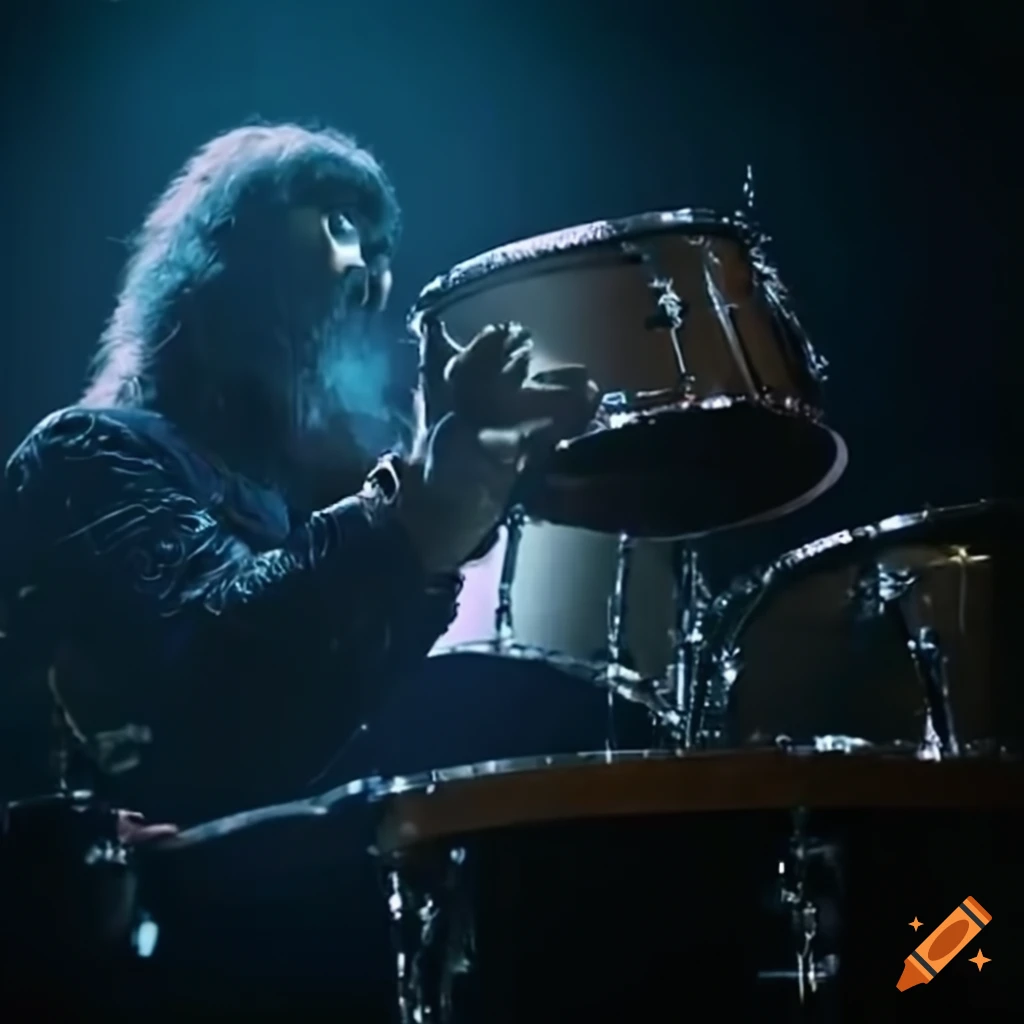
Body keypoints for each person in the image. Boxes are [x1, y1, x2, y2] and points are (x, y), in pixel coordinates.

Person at [0, 122, 595, 830]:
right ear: (225, 248)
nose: (371, 279)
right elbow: (217, 657)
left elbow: (342, 722)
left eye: (382, 256)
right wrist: (419, 510)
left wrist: (457, 502)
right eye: (341, 226)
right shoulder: (91, 451)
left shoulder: (307, 503)